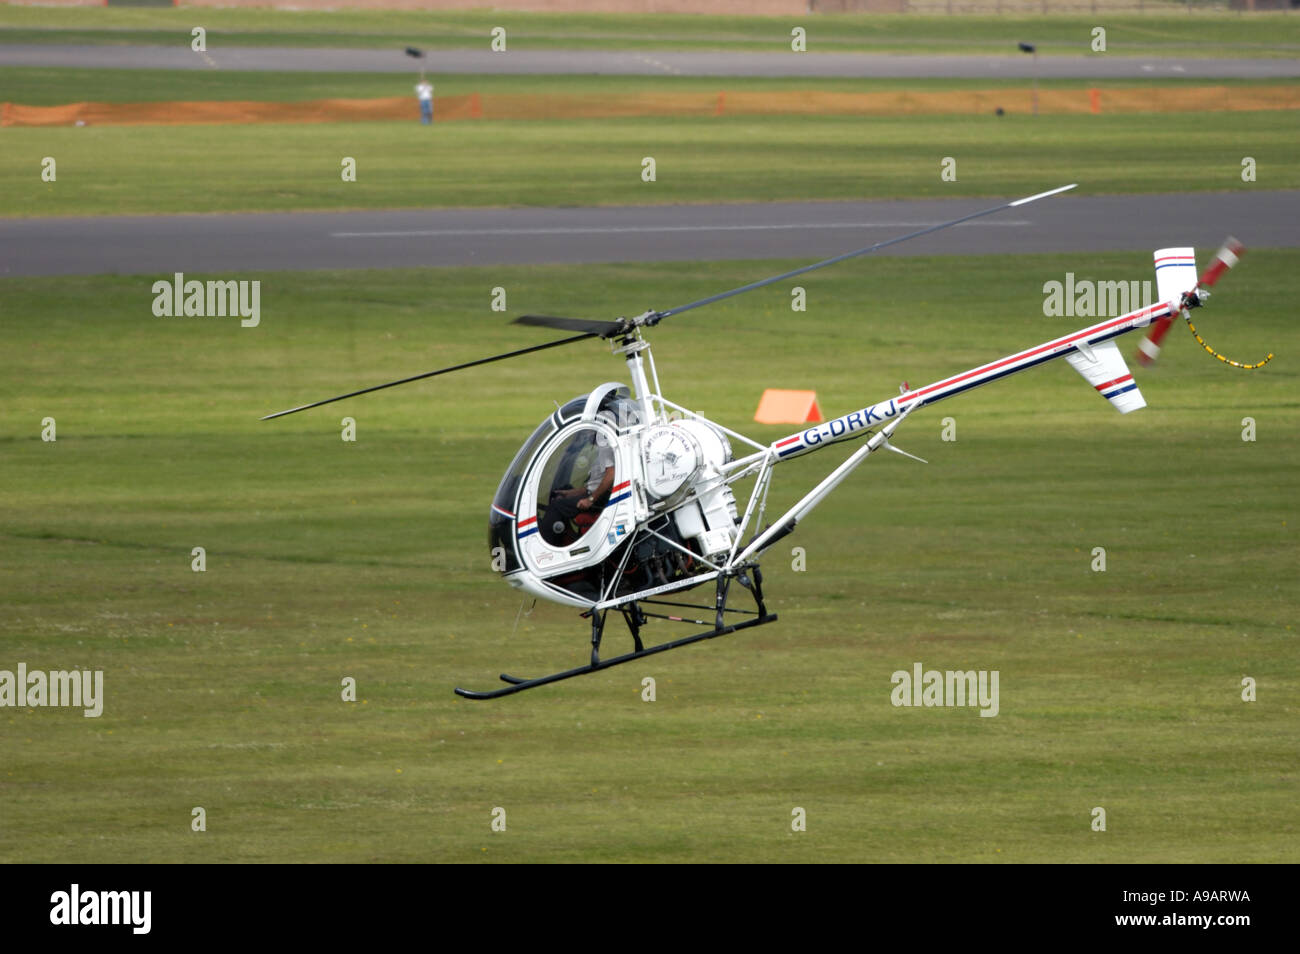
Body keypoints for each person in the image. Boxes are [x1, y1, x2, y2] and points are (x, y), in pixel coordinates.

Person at [540, 426, 615, 544]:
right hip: (597, 495)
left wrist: (590, 500)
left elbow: (611, 474)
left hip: (600, 499)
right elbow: (593, 485)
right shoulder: (601, 451)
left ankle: (546, 543)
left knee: (556, 506)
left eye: (589, 432)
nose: (587, 436)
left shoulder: (604, 446)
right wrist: (570, 493)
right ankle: (564, 540)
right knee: (561, 492)